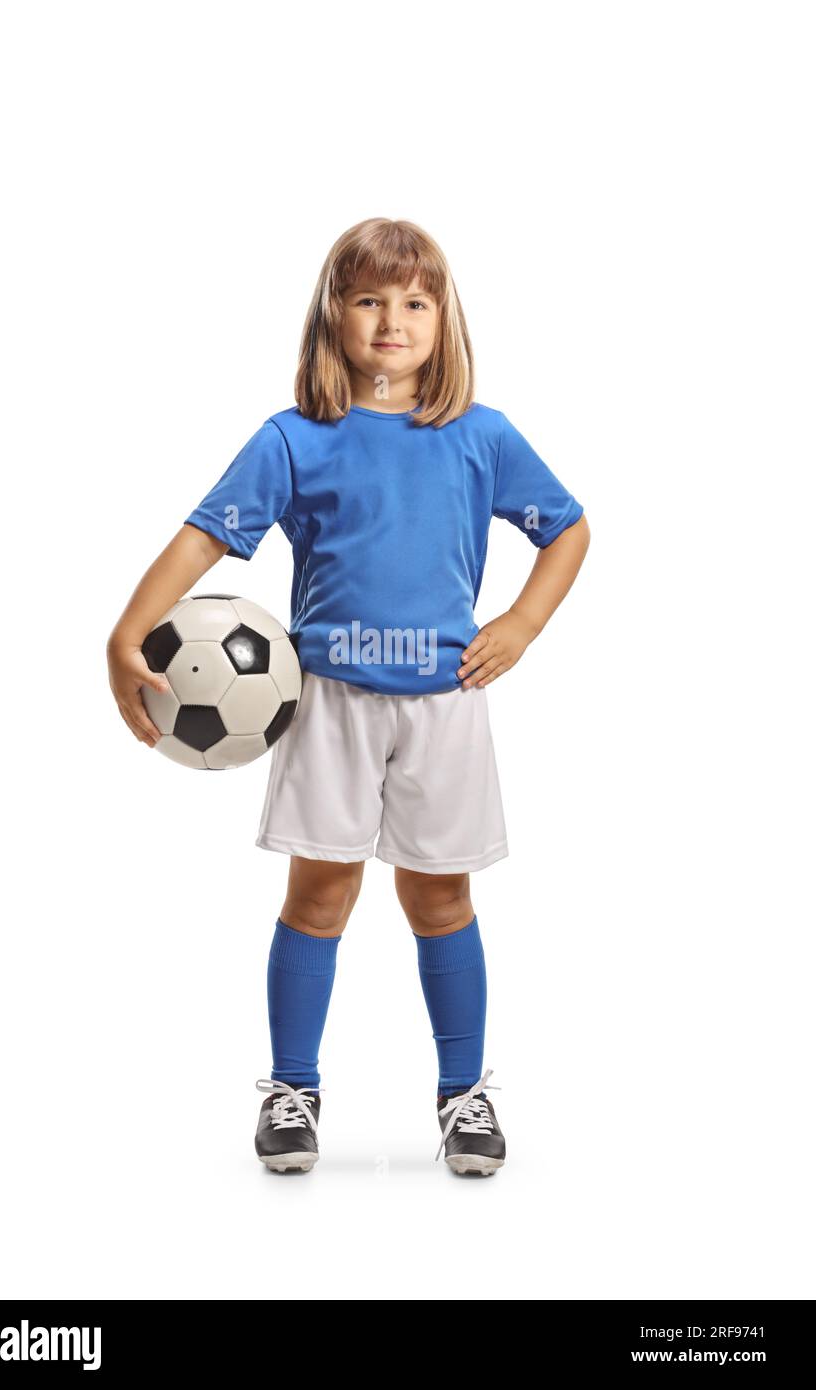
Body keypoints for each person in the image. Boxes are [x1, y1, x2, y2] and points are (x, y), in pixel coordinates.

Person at [106, 217, 591, 1178]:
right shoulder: (296, 439)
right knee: (320, 894)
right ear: (333, 316)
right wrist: (128, 630)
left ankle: (464, 1094)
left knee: (442, 898)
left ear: (444, 320)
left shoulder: (480, 437)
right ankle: (293, 1091)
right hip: (326, 701)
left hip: (444, 700)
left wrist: (522, 625)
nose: (392, 320)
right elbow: (207, 537)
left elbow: (567, 529)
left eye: (415, 301)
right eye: (369, 299)